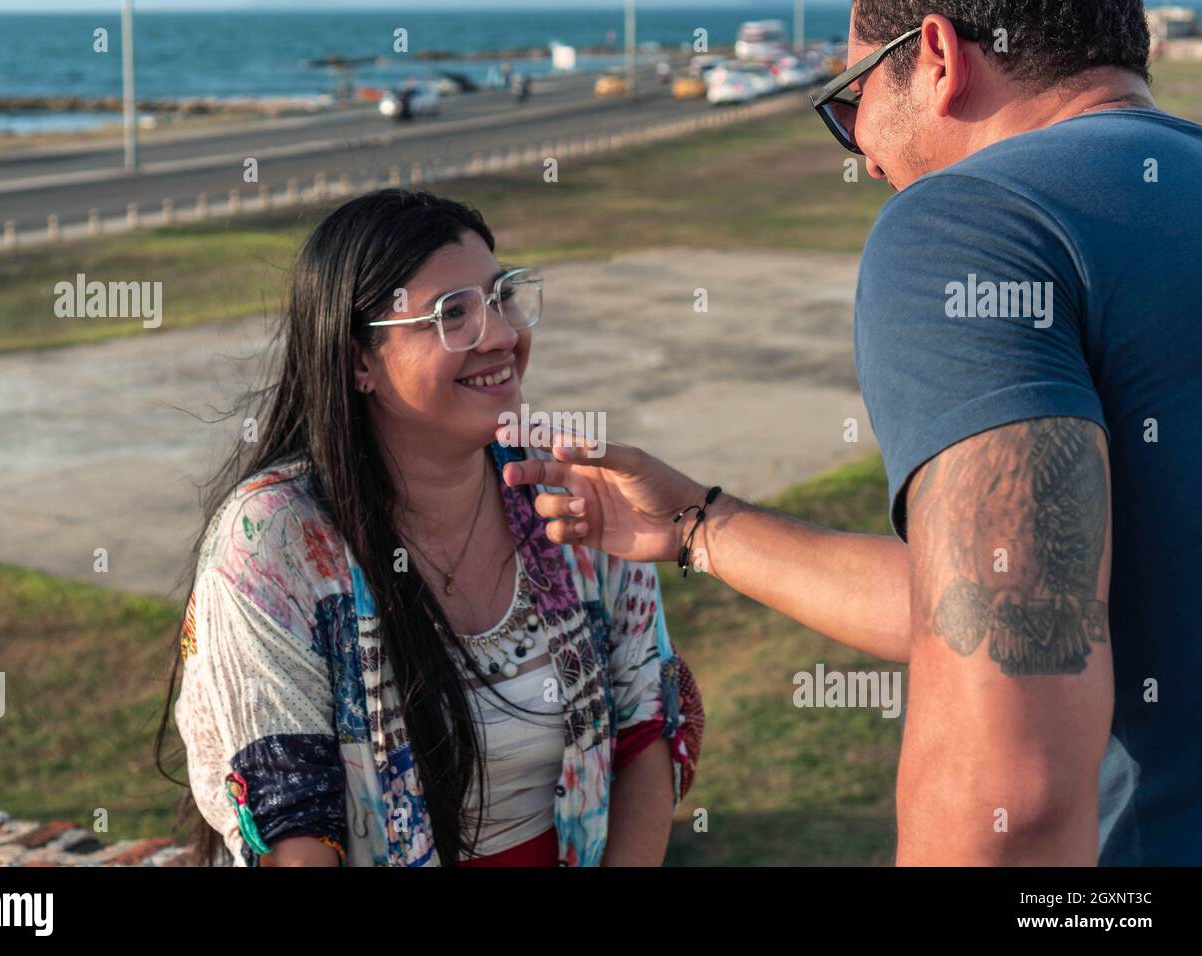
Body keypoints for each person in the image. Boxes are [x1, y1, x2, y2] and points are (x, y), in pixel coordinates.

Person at [500, 0, 1201, 865]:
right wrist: (695, 524)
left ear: (937, 55)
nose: (863, 153)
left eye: (850, 99)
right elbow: (1005, 601)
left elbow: (1009, 791)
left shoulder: (975, 221)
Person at [156, 189, 704, 867]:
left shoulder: (570, 491)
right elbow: (295, 830)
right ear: (360, 361)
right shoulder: (276, 539)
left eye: (501, 296)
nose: (501, 335)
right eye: (452, 315)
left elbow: (645, 726)